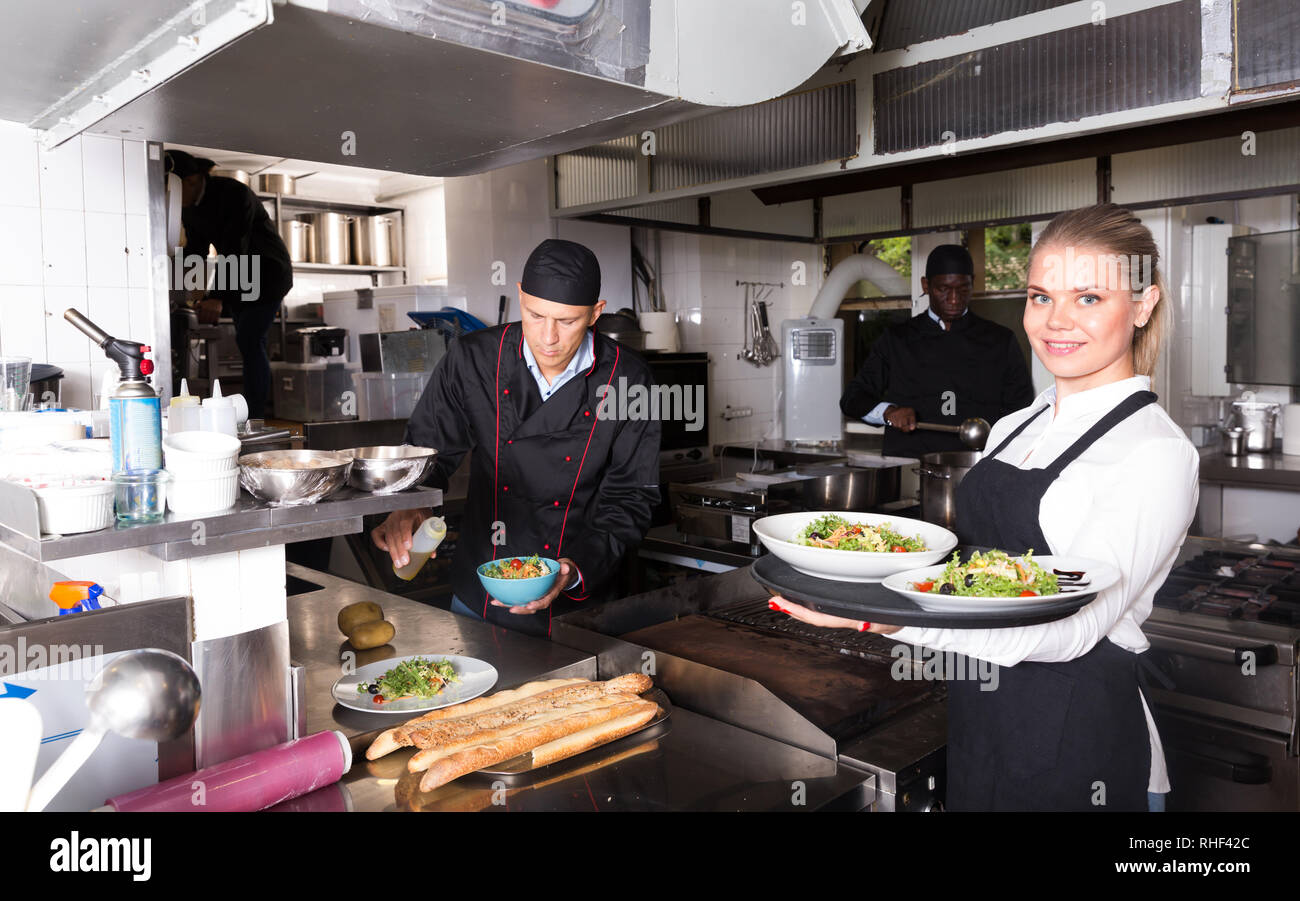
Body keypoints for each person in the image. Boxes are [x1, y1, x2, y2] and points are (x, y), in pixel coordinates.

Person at [772, 204, 1200, 811]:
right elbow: (973, 576)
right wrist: (863, 573)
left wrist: (886, 617)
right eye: (1040, 296)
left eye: (1088, 299)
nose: (1056, 322)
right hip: (980, 718)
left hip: (1081, 738)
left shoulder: (1155, 451)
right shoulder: (1015, 425)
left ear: (1143, 304)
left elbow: (1074, 631)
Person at [371, 239, 661, 637]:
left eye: (567, 321)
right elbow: (427, 453)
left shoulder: (629, 379)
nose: (548, 337)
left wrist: (574, 570)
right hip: (479, 598)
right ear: (521, 296)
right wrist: (410, 506)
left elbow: (631, 496)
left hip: (580, 608)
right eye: (536, 315)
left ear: (596, 313)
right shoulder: (472, 359)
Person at [840, 244, 1034, 457]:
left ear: (973, 284)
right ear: (926, 285)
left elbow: (1021, 409)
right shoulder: (896, 340)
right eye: (944, 289)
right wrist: (888, 412)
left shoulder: (1000, 340)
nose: (954, 299)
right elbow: (852, 398)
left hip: (977, 464)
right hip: (910, 466)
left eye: (963, 289)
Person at [166, 149, 293, 418]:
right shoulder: (189, 208)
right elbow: (197, 250)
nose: (174, 199)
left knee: (250, 339)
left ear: (191, 180)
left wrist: (216, 297)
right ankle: (248, 412)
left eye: (174, 190)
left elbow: (236, 247)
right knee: (246, 340)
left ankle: (255, 417)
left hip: (268, 275)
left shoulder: (233, 194)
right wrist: (178, 288)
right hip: (240, 277)